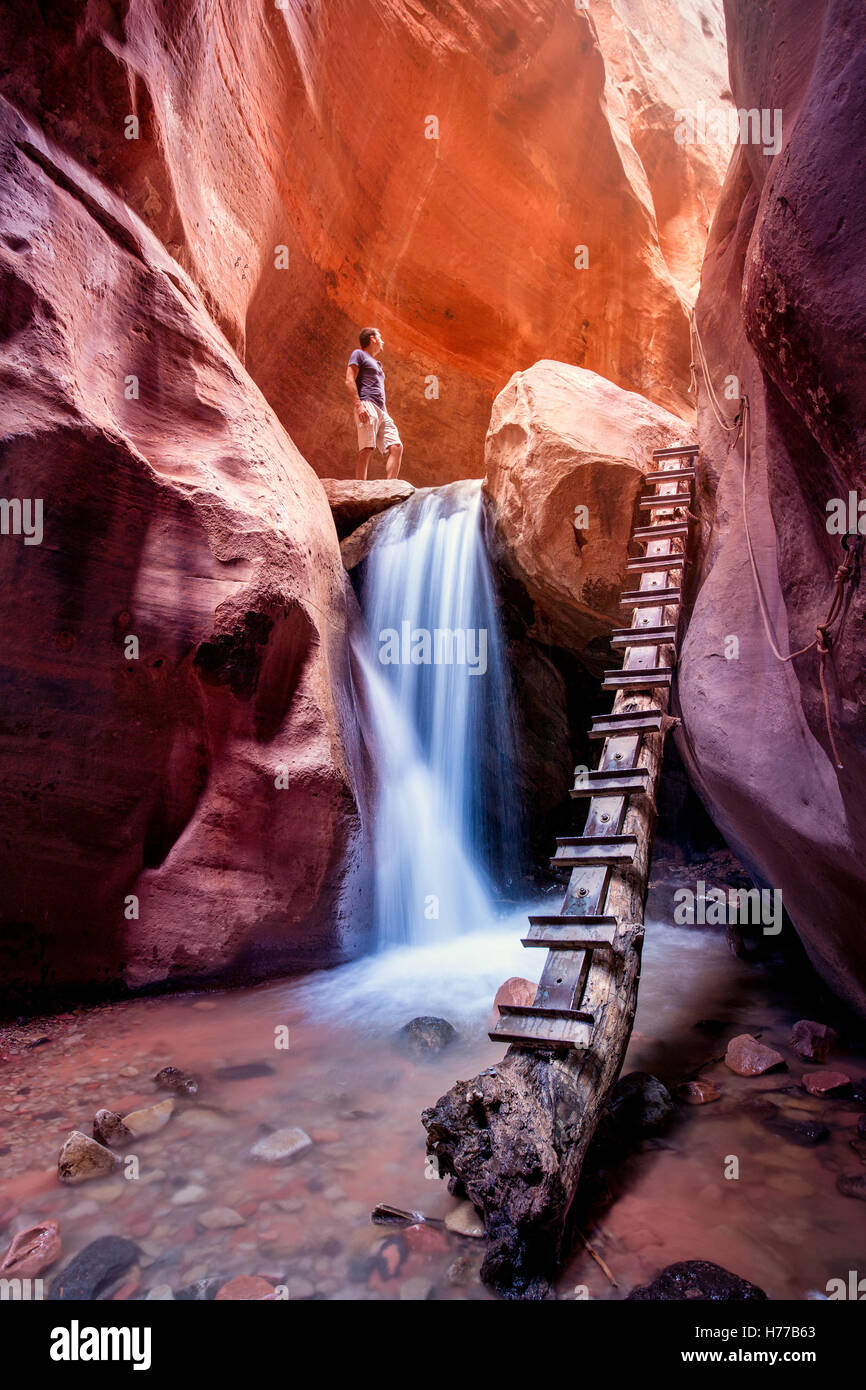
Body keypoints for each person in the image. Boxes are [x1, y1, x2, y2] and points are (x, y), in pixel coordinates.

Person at [345, 327, 404, 480]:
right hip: (367, 404)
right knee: (367, 448)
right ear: (373, 339)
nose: (382, 342)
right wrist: (359, 405)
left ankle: (390, 486)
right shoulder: (359, 354)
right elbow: (349, 379)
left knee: (396, 447)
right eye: (380, 337)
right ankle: (360, 488)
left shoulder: (378, 364)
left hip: (382, 411)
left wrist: (385, 413)